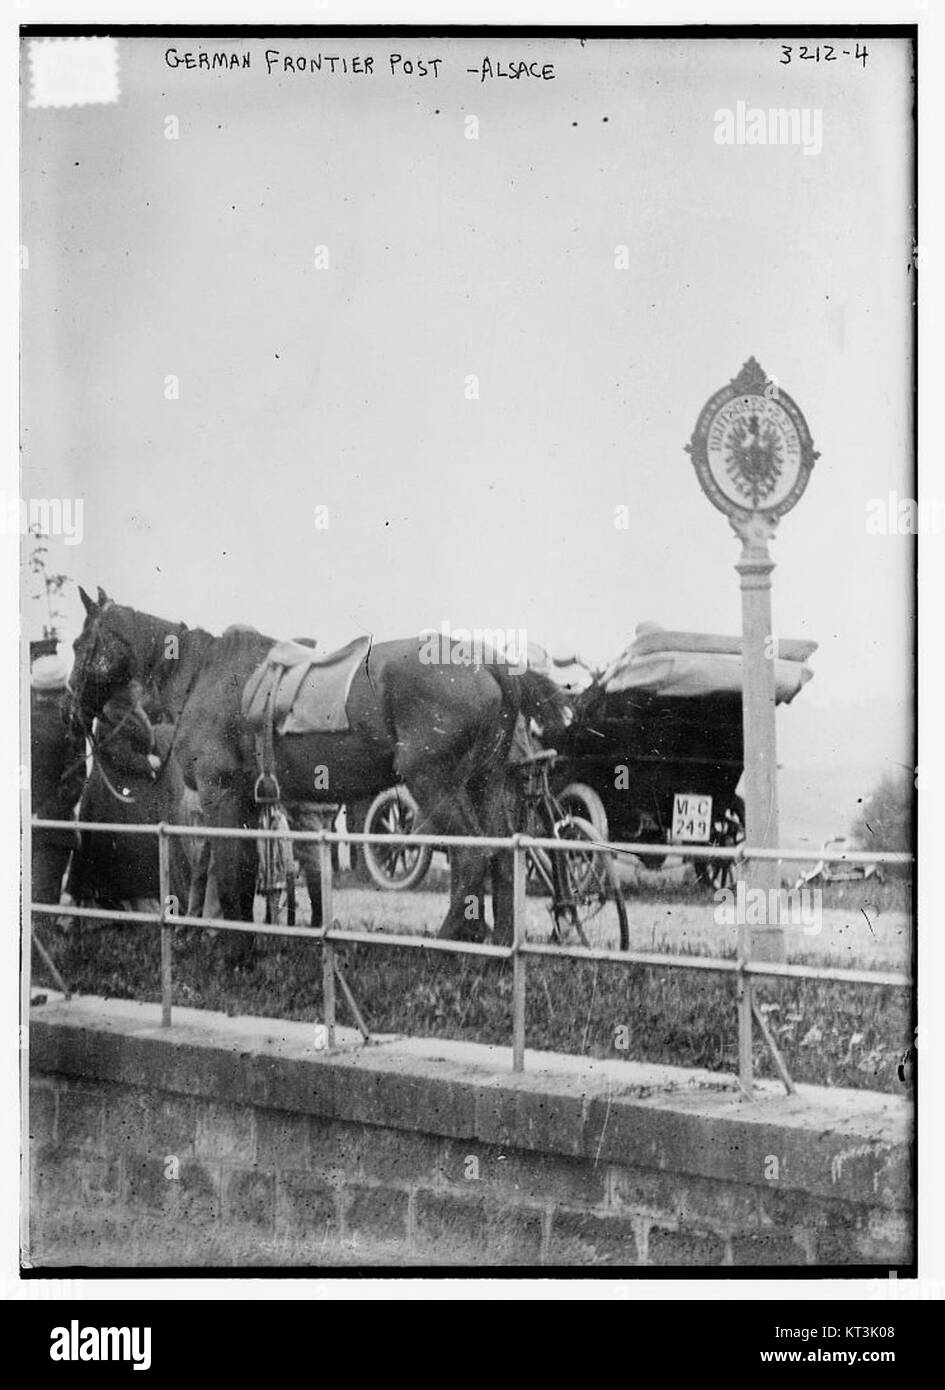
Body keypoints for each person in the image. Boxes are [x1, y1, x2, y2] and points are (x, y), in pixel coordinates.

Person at [29, 654, 85, 925]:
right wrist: (43, 815)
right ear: (64, 688)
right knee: (40, 911)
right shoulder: (71, 726)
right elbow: (74, 784)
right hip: (53, 831)